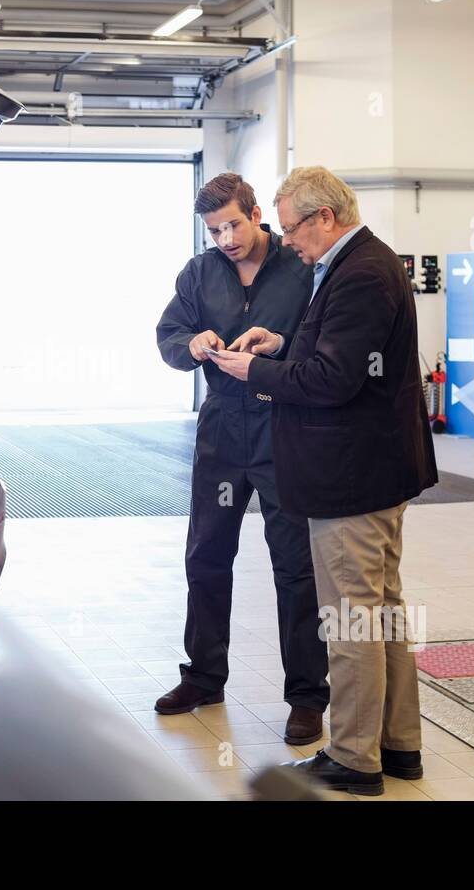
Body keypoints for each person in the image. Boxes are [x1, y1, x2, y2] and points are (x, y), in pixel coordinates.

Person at [209, 166, 438, 796]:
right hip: (372, 471)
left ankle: (354, 756)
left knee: (351, 617)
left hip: (351, 477)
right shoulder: (360, 261)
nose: (286, 242)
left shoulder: (360, 271)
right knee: (382, 613)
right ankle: (398, 745)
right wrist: (280, 346)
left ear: (324, 218)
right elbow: (332, 354)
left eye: (290, 229)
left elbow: (333, 381)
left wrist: (251, 372)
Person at [154, 172, 329, 747]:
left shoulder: (301, 266)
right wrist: (193, 346)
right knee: (206, 555)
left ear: (257, 214)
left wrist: (280, 346)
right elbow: (169, 336)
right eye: (214, 230)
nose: (225, 238)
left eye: (233, 224)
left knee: (295, 567)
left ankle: (306, 697)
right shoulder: (199, 273)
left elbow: (322, 340)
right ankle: (203, 676)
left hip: (286, 428)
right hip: (223, 430)